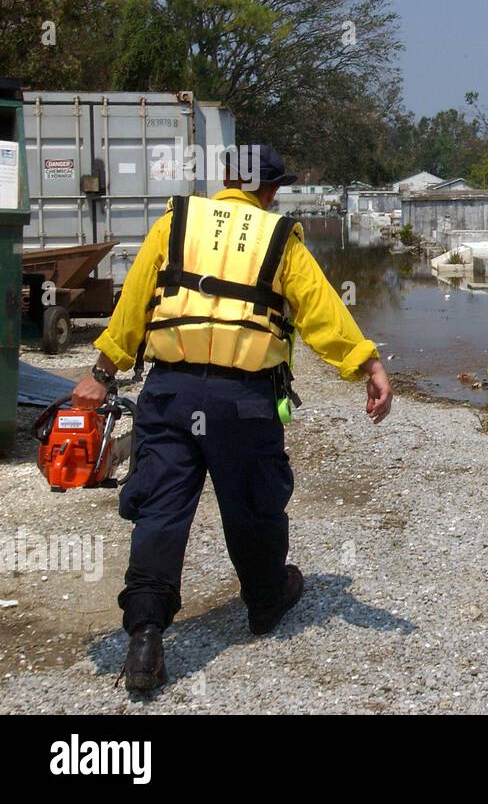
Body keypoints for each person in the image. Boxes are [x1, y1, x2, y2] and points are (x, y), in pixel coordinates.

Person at [71, 145, 391, 692]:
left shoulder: (176, 222)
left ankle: (146, 633)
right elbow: (320, 311)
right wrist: (366, 364)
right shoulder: (277, 237)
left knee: (161, 510)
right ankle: (266, 603)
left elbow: (134, 305)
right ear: (270, 191)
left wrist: (101, 373)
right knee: (253, 506)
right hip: (243, 403)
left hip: (169, 394)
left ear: (224, 178)